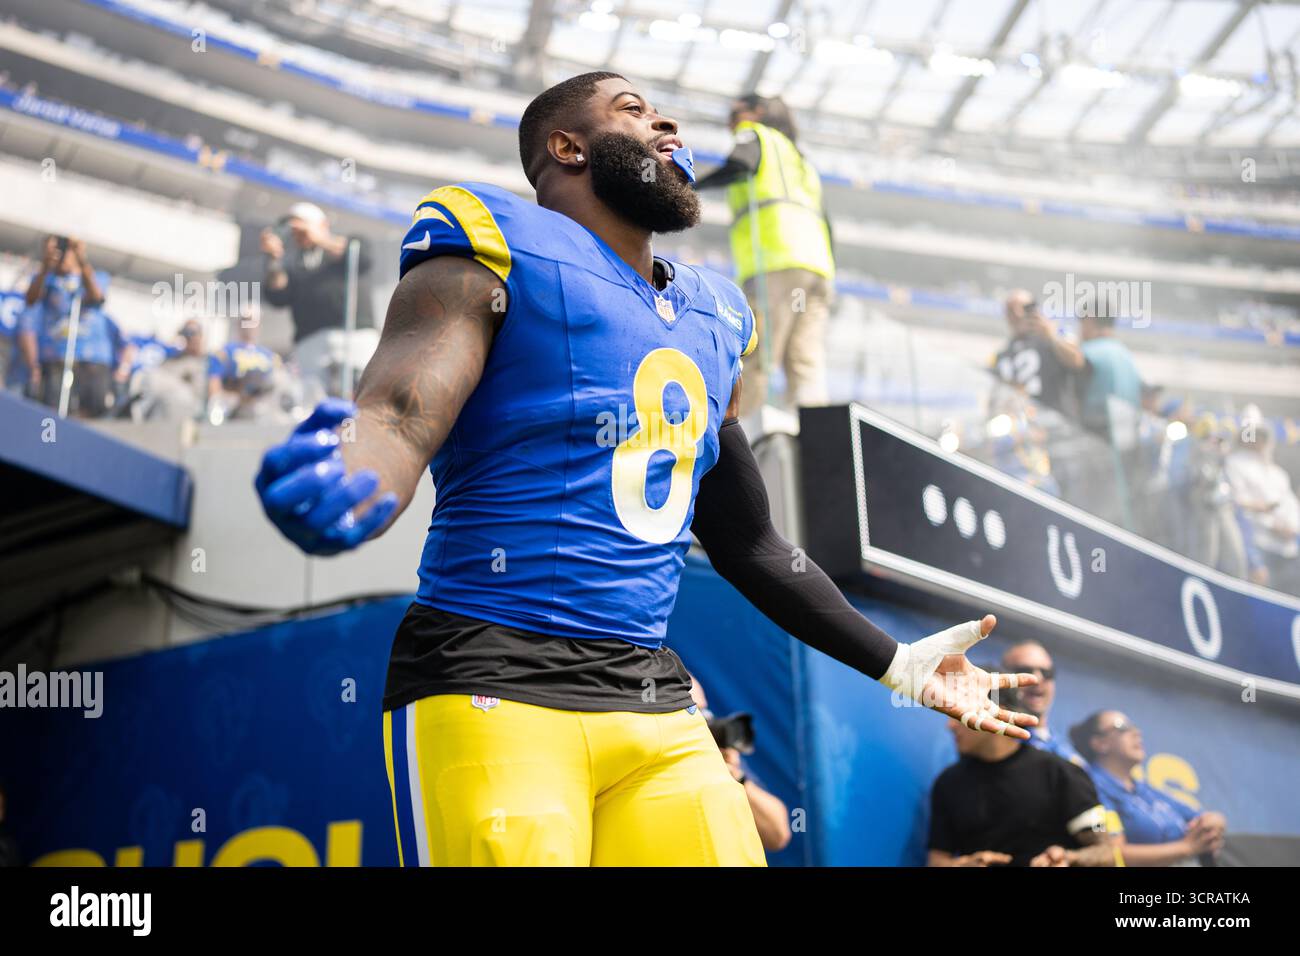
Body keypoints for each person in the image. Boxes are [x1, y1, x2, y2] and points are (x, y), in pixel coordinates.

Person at [255, 72, 1038, 867]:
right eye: (633, 110)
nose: (667, 122)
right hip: (488, 674)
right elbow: (398, 410)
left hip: (653, 697)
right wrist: (357, 474)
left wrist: (899, 662)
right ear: (568, 147)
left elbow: (751, 543)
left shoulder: (717, 315)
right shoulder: (496, 239)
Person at [693, 94, 834, 417]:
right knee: (804, 361)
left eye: (734, 113)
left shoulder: (754, 135)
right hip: (818, 267)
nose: (730, 122)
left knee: (759, 354)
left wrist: (690, 185)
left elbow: (739, 165)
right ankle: (815, 438)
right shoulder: (802, 160)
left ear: (756, 113)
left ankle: (745, 434)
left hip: (776, 260)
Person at [927, 709, 1114, 868]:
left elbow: (1106, 852)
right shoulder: (949, 783)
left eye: (959, 713)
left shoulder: (1060, 773)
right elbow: (937, 860)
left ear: (995, 711)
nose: (950, 725)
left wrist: (1067, 859)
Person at [1069, 711, 1227, 866]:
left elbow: (1205, 816)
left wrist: (1213, 822)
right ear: (1099, 743)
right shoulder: (1091, 786)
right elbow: (1112, 853)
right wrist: (1187, 848)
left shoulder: (1143, 788)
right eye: (1122, 727)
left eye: (1134, 727)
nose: (1136, 732)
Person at [260, 202, 377, 405]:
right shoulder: (293, 263)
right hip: (311, 342)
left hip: (354, 335)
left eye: (302, 226)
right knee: (313, 400)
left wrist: (319, 238)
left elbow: (361, 256)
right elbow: (278, 295)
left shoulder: (350, 244)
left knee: (365, 394)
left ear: (323, 224)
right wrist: (273, 258)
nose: (299, 234)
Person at [17, 236, 119, 417]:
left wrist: (82, 260)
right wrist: (45, 267)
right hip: (56, 355)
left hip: (92, 357)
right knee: (52, 410)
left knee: (93, 409)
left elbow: (96, 298)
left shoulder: (95, 276)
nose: (60, 257)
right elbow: (31, 300)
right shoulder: (45, 279)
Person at [688, 674, 790, 853]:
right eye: (691, 711)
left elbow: (778, 836)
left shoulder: (718, 757)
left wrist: (737, 778)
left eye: (705, 712)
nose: (704, 722)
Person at [1224, 424, 1300, 593]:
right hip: (1259, 543)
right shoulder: (1235, 463)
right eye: (1254, 436)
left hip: (1288, 548)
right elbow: (1238, 503)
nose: (1259, 442)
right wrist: (1272, 525)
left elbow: (1291, 505)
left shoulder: (1277, 473)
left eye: (1262, 437)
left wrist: (1292, 528)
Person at [992, 289, 1083, 416]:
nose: (1018, 314)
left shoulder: (1054, 338)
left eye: (1025, 308)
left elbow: (1077, 362)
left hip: (1056, 423)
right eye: (1011, 310)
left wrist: (1050, 336)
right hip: (1022, 424)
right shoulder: (1003, 354)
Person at [1000, 640, 1084, 767]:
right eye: (1025, 671)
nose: (1038, 679)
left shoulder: (1071, 758)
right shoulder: (990, 743)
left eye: (1047, 673)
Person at [1076, 305, 1142, 442]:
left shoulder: (1087, 352)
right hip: (1124, 441)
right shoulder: (1126, 355)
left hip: (1094, 439)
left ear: (1089, 320)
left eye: (1081, 324)